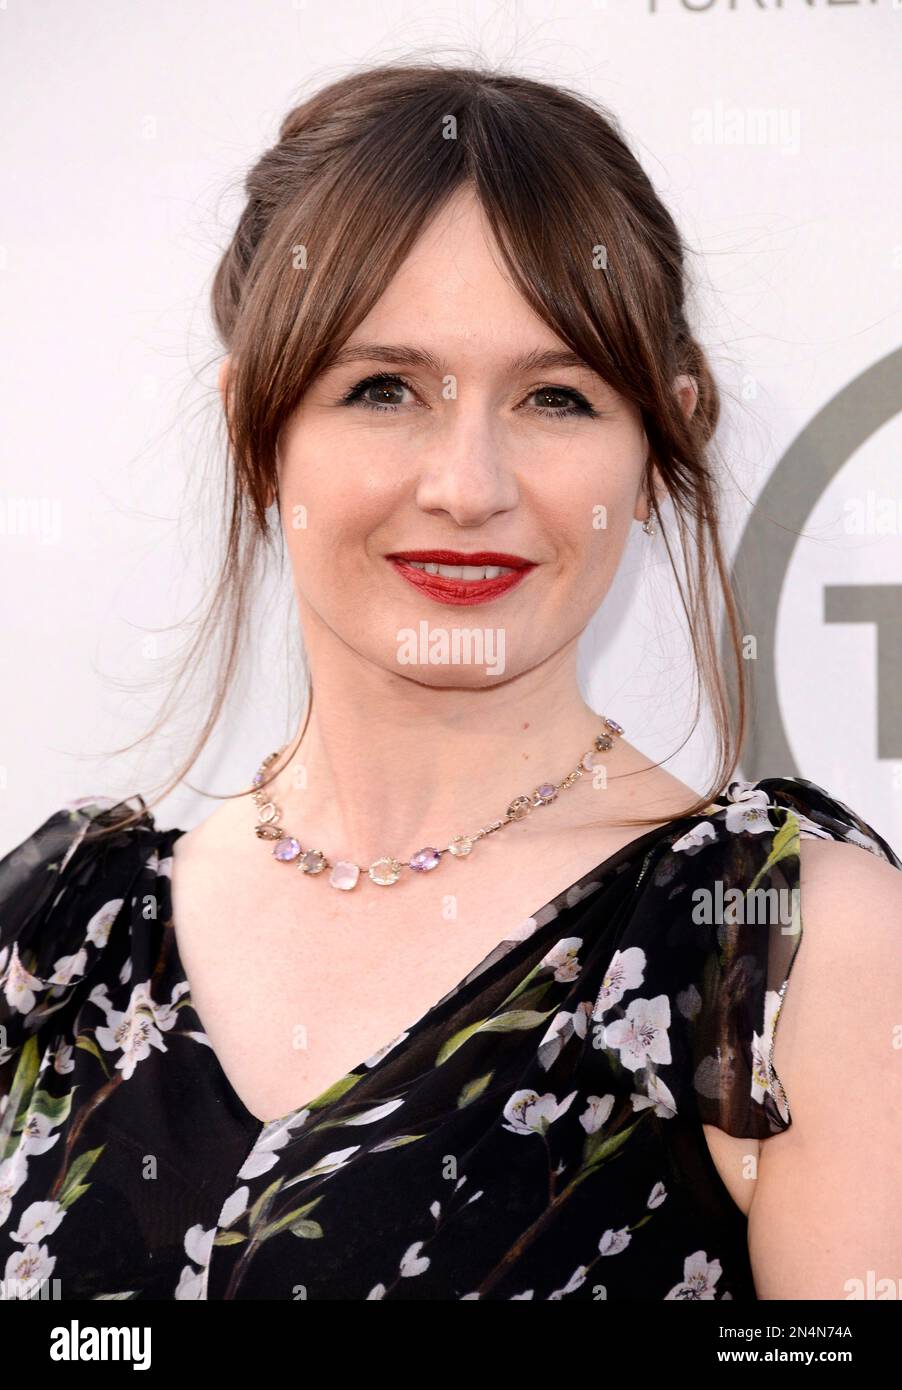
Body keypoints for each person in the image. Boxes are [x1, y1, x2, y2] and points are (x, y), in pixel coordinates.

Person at [1, 61, 900, 1304]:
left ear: (656, 445)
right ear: (255, 435)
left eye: (554, 395)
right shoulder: (59, 941)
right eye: (383, 389)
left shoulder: (777, 942)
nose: (467, 485)